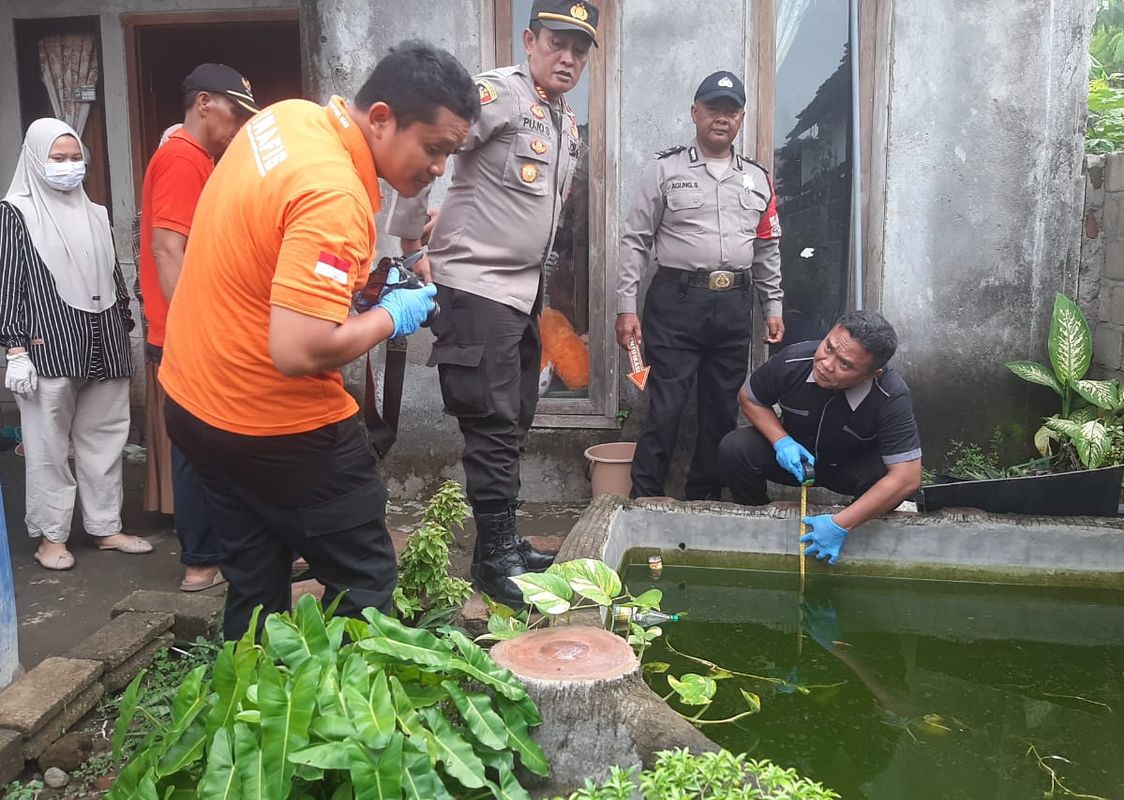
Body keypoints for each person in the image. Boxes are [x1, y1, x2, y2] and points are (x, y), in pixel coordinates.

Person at [158, 41, 478, 639]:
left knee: (254, 587)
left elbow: (270, 250)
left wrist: (367, 283)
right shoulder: (335, 195)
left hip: (193, 402)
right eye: (434, 149)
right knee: (365, 583)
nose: (439, 168)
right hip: (272, 422)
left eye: (449, 155)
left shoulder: (288, 118)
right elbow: (298, 350)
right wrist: (393, 316)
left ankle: (251, 707)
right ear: (381, 117)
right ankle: (357, 721)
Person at [386, 0, 598, 607]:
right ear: (530, 41)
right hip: (478, 288)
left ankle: (499, 545)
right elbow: (430, 143)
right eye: (558, 43)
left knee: (515, 417)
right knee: (493, 423)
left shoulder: (563, 118)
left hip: (521, 294)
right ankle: (498, 556)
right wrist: (408, 237)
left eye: (580, 49)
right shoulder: (499, 95)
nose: (568, 57)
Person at [616, 71, 785, 501]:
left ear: (742, 118)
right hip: (676, 302)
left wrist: (773, 306)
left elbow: (767, 247)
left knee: (721, 410)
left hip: (734, 305)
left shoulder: (758, 179)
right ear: (696, 113)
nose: (722, 118)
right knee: (665, 407)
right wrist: (626, 306)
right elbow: (636, 240)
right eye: (713, 109)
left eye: (731, 111)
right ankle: (646, 496)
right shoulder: (664, 169)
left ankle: (703, 498)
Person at [0, 118, 150, 570]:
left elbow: (112, 274)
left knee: (105, 440)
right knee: (47, 445)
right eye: (57, 159)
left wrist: (124, 321)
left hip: (104, 342)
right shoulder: (15, 213)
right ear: (35, 160)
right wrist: (15, 348)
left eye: (74, 158)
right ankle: (51, 536)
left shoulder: (96, 212)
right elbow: (9, 284)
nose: (69, 167)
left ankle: (106, 527)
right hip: (48, 344)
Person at [140, 63, 259, 592]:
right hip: (186, 332)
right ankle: (201, 563)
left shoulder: (198, 159)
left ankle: (218, 556)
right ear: (205, 102)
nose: (239, 125)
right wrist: (199, 325)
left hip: (187, 327)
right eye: (236, 112)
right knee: (198, 447)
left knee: (210, 446)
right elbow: (169, 247)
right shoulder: (183, 159)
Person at [718, 310, 922, 563]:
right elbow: (749, 398)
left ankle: (849, 527)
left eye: (845, 364)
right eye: (828, 347)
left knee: (888, 476)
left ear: (874, 373)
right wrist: (781, 441)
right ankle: (757, 519)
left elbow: (908, 478)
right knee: (735, 448)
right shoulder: (793, 360)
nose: (826, 364)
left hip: (848, 470)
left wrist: (841, 524)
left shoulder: (891, 395)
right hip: (797, 463)